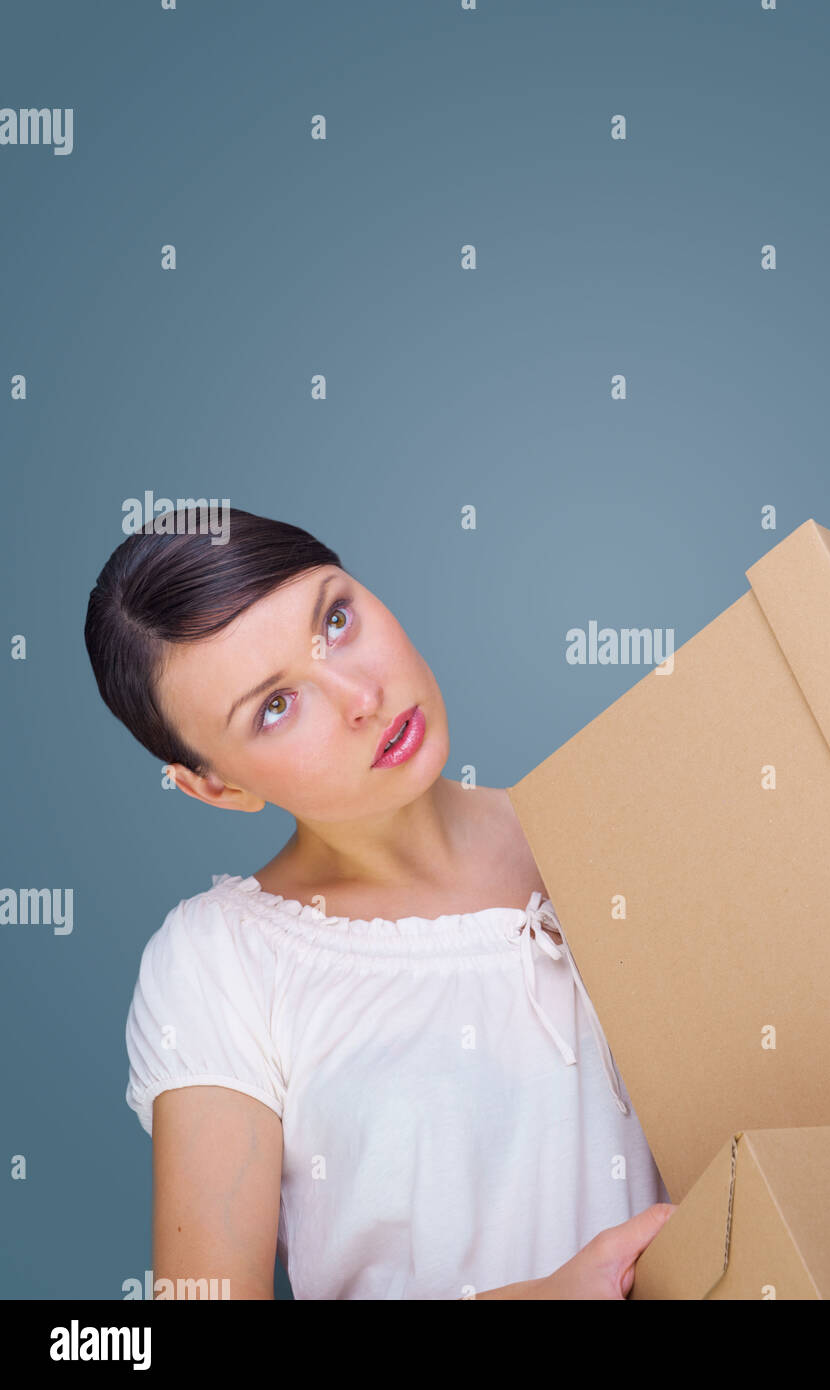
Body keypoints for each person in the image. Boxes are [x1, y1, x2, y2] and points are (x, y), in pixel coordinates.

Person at [84, 506, 675, 1299]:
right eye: (274, 707)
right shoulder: (221, 962)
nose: (359, 695)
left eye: (335, 618)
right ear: (214, 786)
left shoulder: (620, 832)